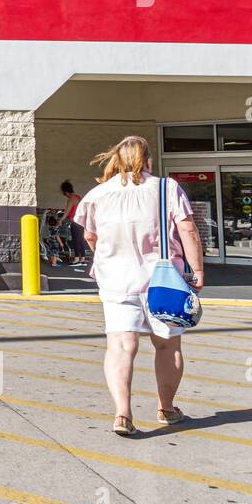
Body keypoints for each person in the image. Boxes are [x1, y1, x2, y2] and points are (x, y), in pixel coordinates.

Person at [73, 136, 204, 437]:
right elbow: (188, 229)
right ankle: (166, 408)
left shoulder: (97, 195)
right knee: (167, 344)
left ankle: (122, 413)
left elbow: (91, 237)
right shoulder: (165, 188)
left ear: (116, 159)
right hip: (164, 280)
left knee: (121, 345)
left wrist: (108, 259)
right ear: (147, 160)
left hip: (116, 280)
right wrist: (196, 270)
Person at [61, 179, 88, 265]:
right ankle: (82, 258)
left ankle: (76, 259)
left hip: (75, 221)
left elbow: (67, 212)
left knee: (75, 240)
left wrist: (60, 220)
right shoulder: (78, 197)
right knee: (80, 240)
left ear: (65, 192)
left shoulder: (71, 199)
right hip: (81, 221)